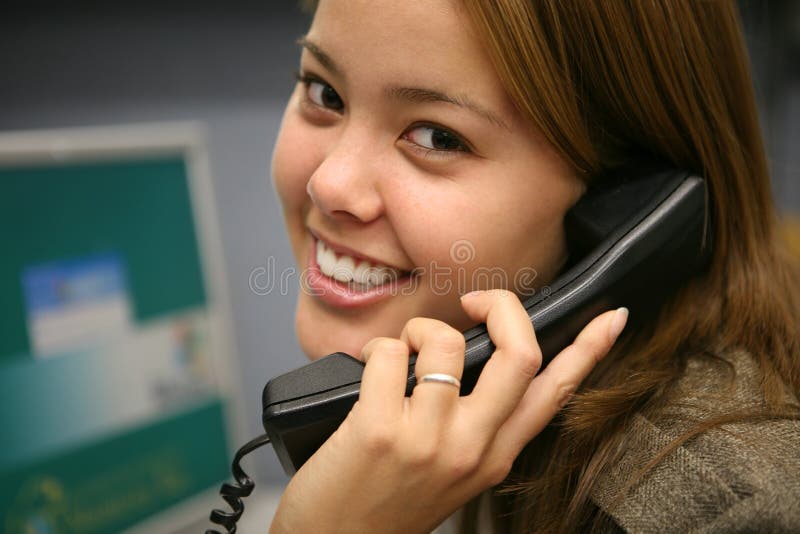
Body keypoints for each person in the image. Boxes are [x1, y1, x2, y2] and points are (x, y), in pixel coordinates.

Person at [267, 1, 800, 532]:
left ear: (626, 202)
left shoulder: (720, 508)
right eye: (324, 93)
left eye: (438, 137)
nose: (328, 184)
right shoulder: (462, 436)